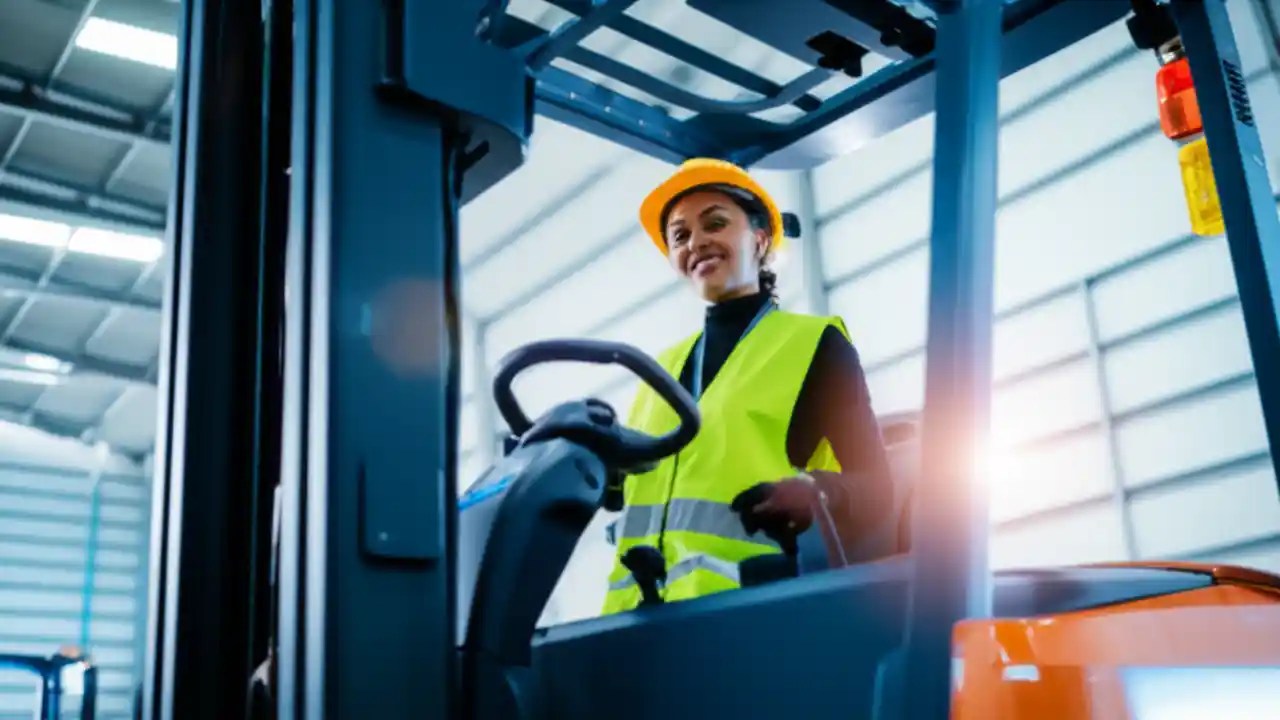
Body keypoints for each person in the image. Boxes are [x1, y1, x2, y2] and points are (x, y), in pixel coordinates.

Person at [601, 158, 892, 614]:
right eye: (680, 236)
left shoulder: (814, 345)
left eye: (715, 223)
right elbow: (626, 491)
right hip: (638, 622)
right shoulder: (656, 370)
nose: (696, 241)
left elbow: (878, 489)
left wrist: (817, 491)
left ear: (759, 239)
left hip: (752, 614)